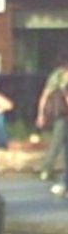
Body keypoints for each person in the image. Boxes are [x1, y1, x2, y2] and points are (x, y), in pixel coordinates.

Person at [36, 55, 68, 197]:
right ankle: (47, 169)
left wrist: (41, 114)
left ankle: (49, 170)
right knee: (58, 142)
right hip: (62, 114)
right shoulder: (59, 76)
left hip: (62, 115)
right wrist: (41, 114)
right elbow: (46, 95)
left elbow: (45, 94)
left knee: (59, 143)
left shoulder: (57, 76)